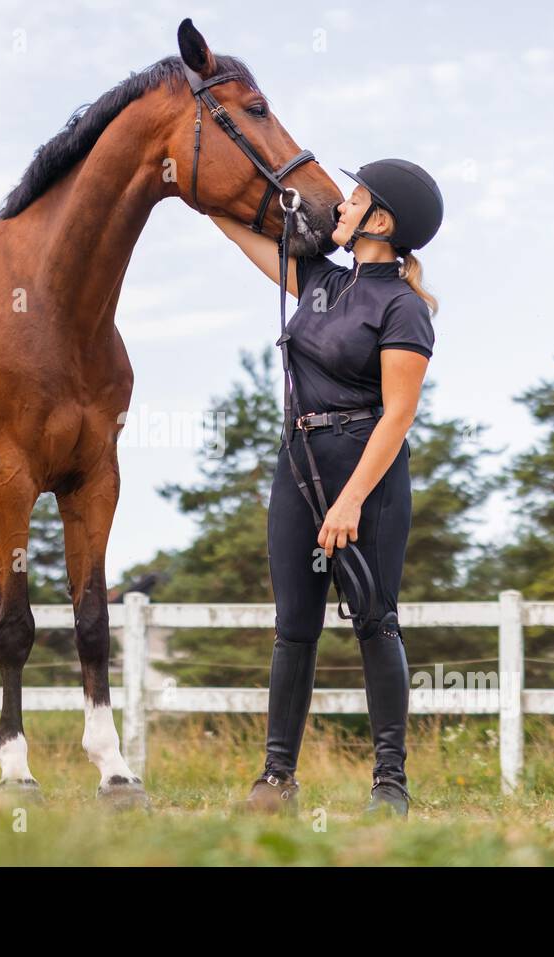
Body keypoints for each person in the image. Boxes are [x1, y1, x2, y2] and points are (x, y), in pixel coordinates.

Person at [209, 159, 443, 818]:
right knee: (294, 627)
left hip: (365, 476)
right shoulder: (317, 280)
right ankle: (276, 777)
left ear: (382, 220)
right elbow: (238, 233)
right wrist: (196, 188)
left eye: (355, 197)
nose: (340, 203)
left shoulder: (403, 307)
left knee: (375, 619)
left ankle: (389, 784)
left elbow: (398, 414)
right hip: (298, 465)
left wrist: (350, 501)